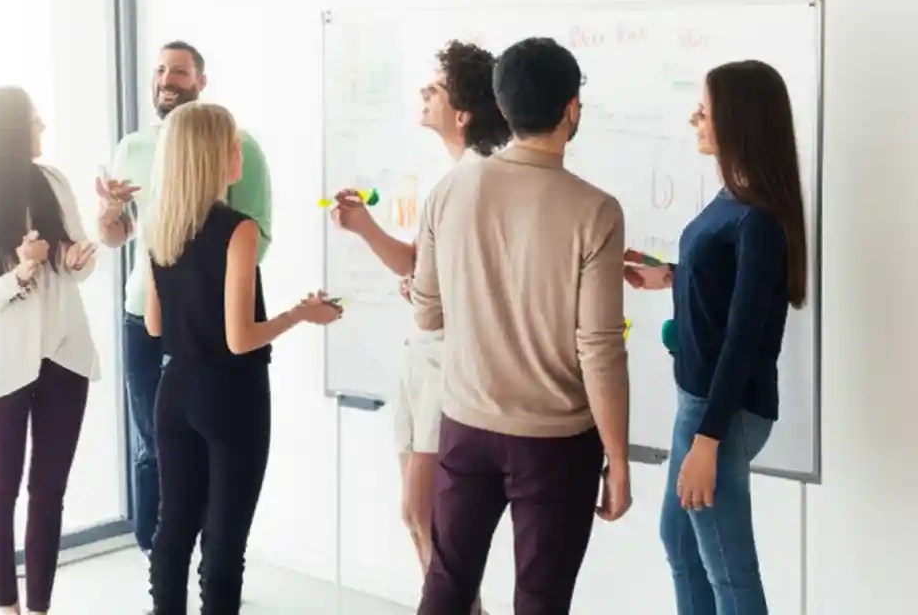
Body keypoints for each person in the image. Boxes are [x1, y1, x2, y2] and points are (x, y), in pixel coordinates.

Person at [413, 37, 633, 615]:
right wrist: (618, 458)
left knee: (446, 586)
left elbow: (427, 312)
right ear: (572, 109)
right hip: (556, 443)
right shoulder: (596, 210)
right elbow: (600, 349)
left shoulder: (450, 190)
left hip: (465, 425)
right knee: (541, 601)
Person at [329, 40, 508, 614]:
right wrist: (364, 228)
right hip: (426, 354)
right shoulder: (454, 181)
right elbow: (419, 267)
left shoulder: (478, 181)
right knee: (416, 514)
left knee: (425, 513)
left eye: (435, 88)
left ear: (463, 113)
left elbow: (471, 283)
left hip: (447, 363)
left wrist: (429, 292)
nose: (423, 95)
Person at [625, 60, 808, 615]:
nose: (693, 120)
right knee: (681, 542)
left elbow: (743, 337)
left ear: (737, 120)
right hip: (700, 404)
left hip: (721, 412)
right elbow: (728, 285)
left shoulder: (758, 219)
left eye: (703, 111)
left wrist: (708, 441)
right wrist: (671, 276)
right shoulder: (734, 198)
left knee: (729, 569)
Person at [142, 102, 339, 614]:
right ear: (214, 156)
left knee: (172, 531)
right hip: (231, 396)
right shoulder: (239, 230)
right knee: (224, 543)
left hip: (174, 392)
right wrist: (301, 314)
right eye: (234, 146)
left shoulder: (158, 228)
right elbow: (240, 338)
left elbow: (154, 325)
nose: (241, 156)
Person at [96, 40, 273, 556]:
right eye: (160, 70)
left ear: (200, 81)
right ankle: (159, 560)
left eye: (179, 71)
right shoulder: (132, 148)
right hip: (143, 315)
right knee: (151, 446)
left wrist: (199, 285)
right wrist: (109, 216)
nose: (166, 80)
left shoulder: (240, 147)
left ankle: (210, 568)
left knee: (213, 454)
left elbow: (255, 237)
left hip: (206, 324)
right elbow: (119, 236)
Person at [0, 87, 100, 615]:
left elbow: (78, 265)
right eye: (34, 121)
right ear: (10, 130)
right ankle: (6, 606)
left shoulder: (53, 182)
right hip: (3, 363)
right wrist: (20, 272)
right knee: (1, 488)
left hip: (64, 353)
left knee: (50, 490)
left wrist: (78, 258)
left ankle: (39, 608)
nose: (42, 128)